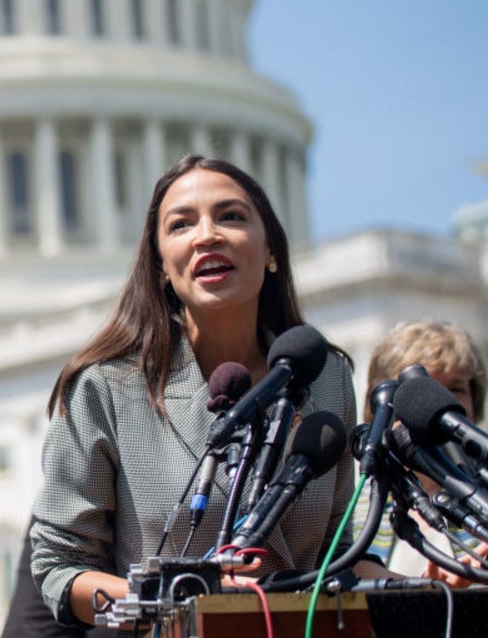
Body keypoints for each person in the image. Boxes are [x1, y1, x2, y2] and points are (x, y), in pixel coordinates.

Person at [30, 154, 360, 630]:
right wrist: (181, 596)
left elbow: (339, 549)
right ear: (161, 266)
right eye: (181, 224)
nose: (207, 235)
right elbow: (59, 566)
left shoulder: (326, 377)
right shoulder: (106, 388)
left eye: (231, 216)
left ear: (271, 249)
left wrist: (436, 581)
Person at [354, 320, 488, 584]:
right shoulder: (360, 503)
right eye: (423, 392)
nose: (439, 405)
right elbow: (346, 572)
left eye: (456, 389)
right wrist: (429, 590)